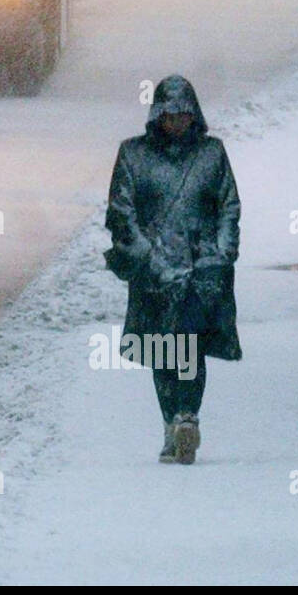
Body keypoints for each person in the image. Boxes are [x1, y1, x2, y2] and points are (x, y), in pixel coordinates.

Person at [104, 75, 242, 464]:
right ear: (158, 115)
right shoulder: (133, 155)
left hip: (201, 271)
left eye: (183, 113)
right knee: (161, 351)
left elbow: (228, 205)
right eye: (170, 114)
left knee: (190, 347)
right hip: (153, 272)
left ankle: (186, 417)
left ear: (193, 114)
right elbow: (121, 211)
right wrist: (147, 258)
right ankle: (173, 423)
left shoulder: (212, 154)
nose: (177, 121)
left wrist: (221, 252)